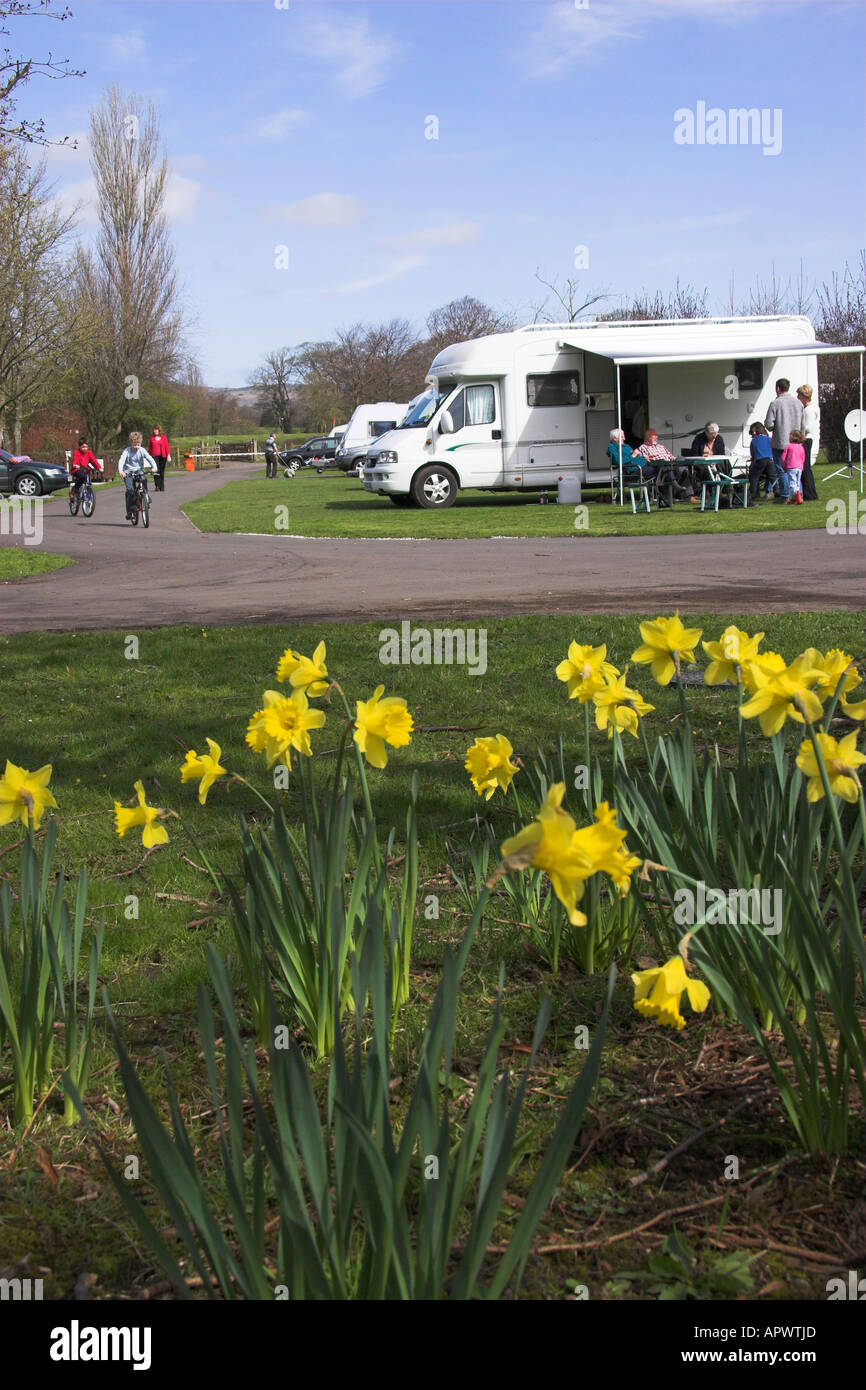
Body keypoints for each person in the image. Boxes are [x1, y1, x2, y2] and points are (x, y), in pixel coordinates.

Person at [633, 429, 699, 503]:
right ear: (648, 437)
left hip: (670, 464)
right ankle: (680, 485)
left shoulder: (661, 446)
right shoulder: (643, 447)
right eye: (654, 435)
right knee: (664, 463)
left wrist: (677, 460)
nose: (656, 437)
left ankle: (683, 474)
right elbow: (646, 460)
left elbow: (671, 456)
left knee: (681, 458)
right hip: (659, 467)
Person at [764, 378, 803, 503]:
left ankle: (785, 495)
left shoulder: (775, 403)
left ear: (778, 388)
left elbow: (769, 424)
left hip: (780, 441)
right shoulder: (798, 403)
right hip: (796, 442)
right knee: (797, 470)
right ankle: (798, 493)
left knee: (781, 469)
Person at [117, 431, 158, 521]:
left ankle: (145, 495)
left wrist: (154, 467)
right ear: (131, 443)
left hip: (139, 471)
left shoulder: (142, 450)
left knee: (143, 479)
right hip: (128, 472)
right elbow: (121, 460)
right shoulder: (127, 451)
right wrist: (121, 470)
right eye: (134, 445)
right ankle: (130, 511)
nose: (136, 447)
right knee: (130, 490)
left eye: (138, 444)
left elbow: (150, 458)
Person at [796, 384, 820, 501]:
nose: (798, 397)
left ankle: (809, 494)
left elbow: (808, 427)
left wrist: (800, 434)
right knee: (805, 468)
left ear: (804, 396)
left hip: (805, 439)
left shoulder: (808, 410)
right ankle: (811, 493)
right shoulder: (809, 409)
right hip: (807, 439)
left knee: (805, 468)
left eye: (799, 395)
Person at [747, 423, 776, 504]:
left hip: (760, 460)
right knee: (772, 477)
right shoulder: (769, 439)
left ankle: (753, 494)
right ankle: (778, 491)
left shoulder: (754, 440)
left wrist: (753, 461)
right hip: (770, 460)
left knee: (754, 477)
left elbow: (753, 454)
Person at [781, 429, 806, 505]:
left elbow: (783, 458)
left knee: (792, 483)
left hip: (791, 467)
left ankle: (797, 496)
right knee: (797, 483)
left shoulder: (789, 447)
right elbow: (803, 458)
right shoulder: (801, 447)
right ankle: (794, 498)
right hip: (799, 467)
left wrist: (784, 466)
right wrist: (802, 466)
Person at [148, 427, 171, 492]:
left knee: (161, 471)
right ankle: (157, 486)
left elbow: (167, 447)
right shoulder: (152, 438)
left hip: (163, 456)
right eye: (154, 430)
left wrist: (168, 455)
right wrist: (148, 456)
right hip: (155, 456)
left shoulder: (164, 438)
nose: (155, 431)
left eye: (156, 430)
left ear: (159, 431)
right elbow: (150, 448)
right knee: (156, 470)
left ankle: (162, 486)